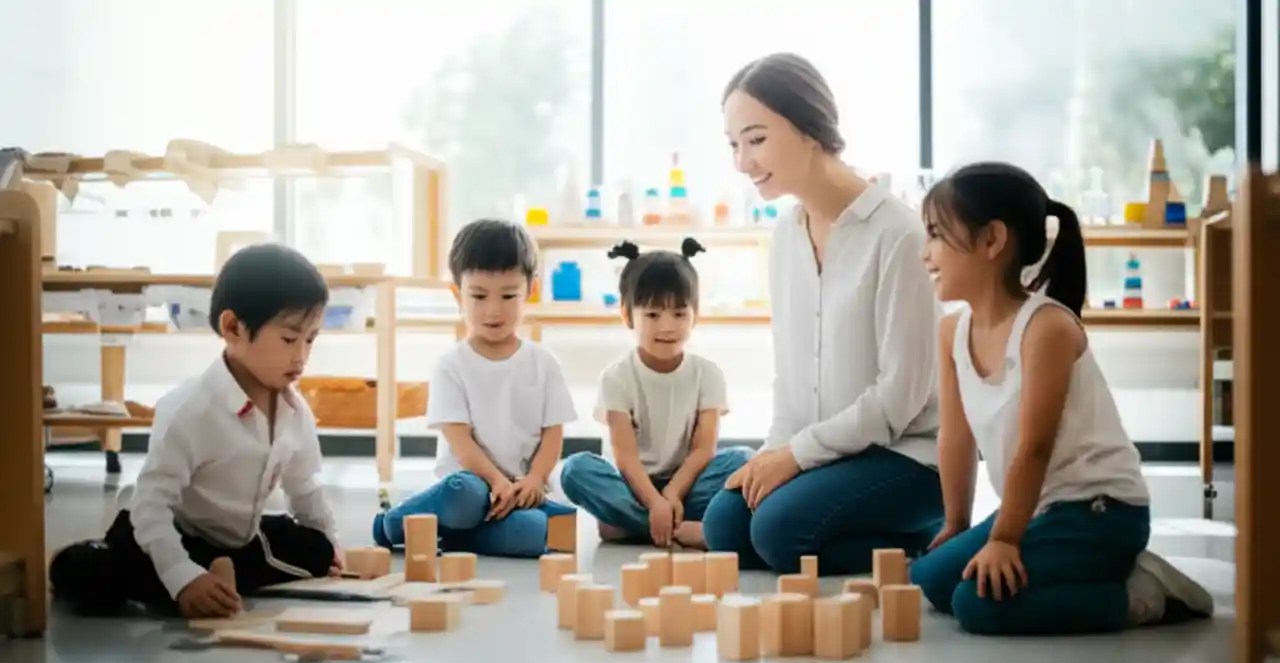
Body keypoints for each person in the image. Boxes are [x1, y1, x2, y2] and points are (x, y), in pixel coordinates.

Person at [907, 161, 1214, 635]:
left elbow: (1035, 447)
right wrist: (957, 523)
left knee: (977, 605)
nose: (925, 253)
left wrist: (1005, 539)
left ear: (992, 240)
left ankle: (1143, 592)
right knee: (931, 578)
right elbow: (955, 439)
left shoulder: (1045, 327)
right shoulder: (952, 332)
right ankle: (1065, 563)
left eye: (935, 235)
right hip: (1041, 507)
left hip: (1101, 510)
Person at [702, 52, 944, 574]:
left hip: (909, 457)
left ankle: (924, 537)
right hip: (829, 456)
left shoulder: (898, 234)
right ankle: (853, 523)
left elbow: (899, 398)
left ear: (811, 131)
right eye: (734, 145)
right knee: (725, 526)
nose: (743, 162)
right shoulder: (787, 235)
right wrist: (773, 454)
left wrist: (795, 457)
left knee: (777, 532)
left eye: (757, 139)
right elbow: (792, 380)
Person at [49, 244, 341, 618]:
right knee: (96, 578)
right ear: (233, 328)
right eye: (288, 339)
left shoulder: (294, 410)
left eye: (311, 339)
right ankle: (76, 558)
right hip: (164, 531)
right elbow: (151, 504)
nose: (301, 356)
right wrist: (182, 575)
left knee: (317, 552)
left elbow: (305, 488)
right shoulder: (191, 408)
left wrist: (331, 543)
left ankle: (218, 577)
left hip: (236, 538)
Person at [371, 219, 577, 557]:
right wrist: (496, 481)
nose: (493, 310)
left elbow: (553, 433)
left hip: (518, 492)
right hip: (473, 483)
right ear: (457, 294)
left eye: (509, 295)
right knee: (464, 495)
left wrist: (536, 480)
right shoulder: (452, 365)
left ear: (532, 290)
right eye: (479, 296)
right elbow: (462, 444)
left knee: (550, 531)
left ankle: (453, 536)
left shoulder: (544, 363)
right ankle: (393, 524)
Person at [560, 239, 752, 549]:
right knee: (576, 470)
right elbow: (625, 457)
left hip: (687, 485)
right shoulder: (617, 377)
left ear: (695, 315)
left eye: (679, 314)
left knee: (742, 459)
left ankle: (633, 525)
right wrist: (654, 502)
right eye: (652, 315)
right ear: (627, 314)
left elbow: (704, 450)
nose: (667, 326)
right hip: (634, 485)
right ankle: (677, 527)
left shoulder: (708, 373)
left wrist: (672, 495)